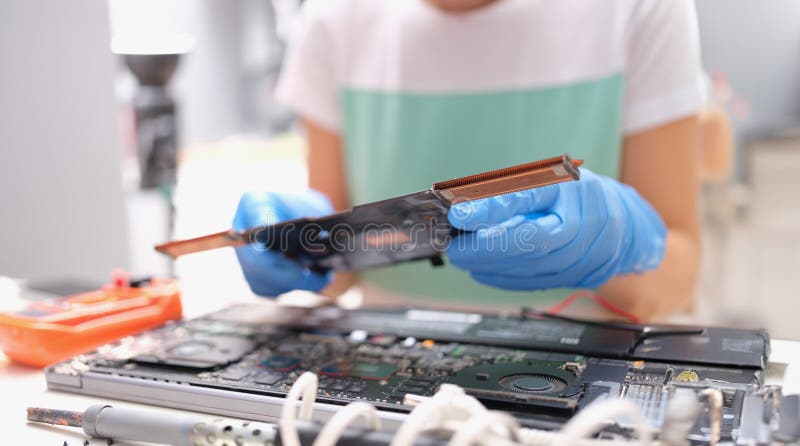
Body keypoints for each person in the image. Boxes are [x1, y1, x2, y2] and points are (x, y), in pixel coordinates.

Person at [233, 0, 704, 321]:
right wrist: (300, 245)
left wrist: (623, 250)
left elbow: (677, 275)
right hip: (387, 365)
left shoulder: (637, 9)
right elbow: (343, 270)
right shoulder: (334, 17)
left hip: (589, 378)